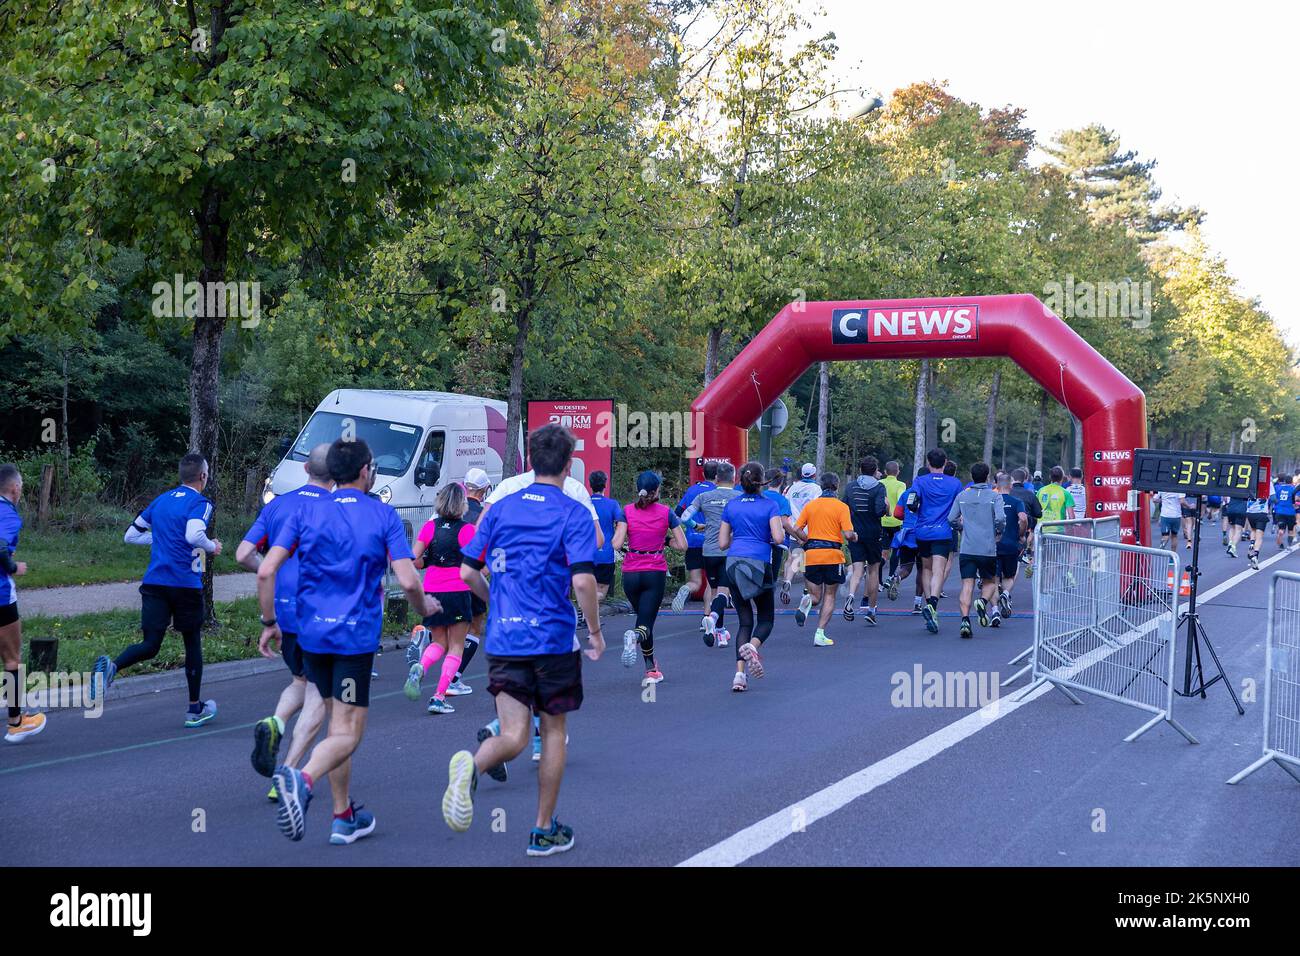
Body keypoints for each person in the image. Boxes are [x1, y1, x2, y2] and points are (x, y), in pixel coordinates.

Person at [261, 438, 438, 845]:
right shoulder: (382, 514)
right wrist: (423, 607)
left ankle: (343, 816)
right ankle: (300, 779)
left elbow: (266, 569)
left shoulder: (306, 510)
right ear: (365, 471)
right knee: (348, 732)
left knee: (336, 727)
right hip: (352, 638)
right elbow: (409, 579)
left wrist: (270, 621)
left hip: (310, 637)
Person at [442, 424, 603, 858]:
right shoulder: (572, 510)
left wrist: (496, 602)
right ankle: (542, 829)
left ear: (529, 460)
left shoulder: (499, 508)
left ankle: (471, 766)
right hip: (552, 638)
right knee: (552, 730)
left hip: (505, 636)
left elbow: (467, 572)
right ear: (570, 466)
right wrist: (595, 631)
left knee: (513, 734)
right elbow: (584, 581)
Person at [93, 453, 222, 726]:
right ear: (203, 476)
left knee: (151, 644)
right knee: (192, 643)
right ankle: (194, 709)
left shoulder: (160, 500)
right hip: (185, 584)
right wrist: (213, 546)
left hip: (154, 584)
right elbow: (194, 536)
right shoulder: (200, 502)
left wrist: (161, 539)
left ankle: (113, 666)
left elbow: (131, 535)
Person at [236, 444, 332, 795]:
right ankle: (288, 774)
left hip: (287, 612)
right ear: (336, 472)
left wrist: (272, 574)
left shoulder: (277, 504)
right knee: (319, 692)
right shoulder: (337, 509)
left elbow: (243, 553)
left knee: (300, 681)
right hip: (324, 614)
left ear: (306, 468)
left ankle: (275, 722)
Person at [406, 482, 478, 715]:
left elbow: (414, 559)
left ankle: (420, 667)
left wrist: (429, 561)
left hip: (432, 590)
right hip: (457, 590)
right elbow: (476, 563)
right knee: (455, 647)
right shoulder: (467, 530)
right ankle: (438, 697)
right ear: (462, 505)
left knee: (439, 642)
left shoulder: (430, 527)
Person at [615, 471, 687, 683]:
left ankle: (651, 668)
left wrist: (630, 535)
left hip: (630, 573)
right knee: (645, 624)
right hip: (654, 572)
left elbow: (617, 544)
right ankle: (635, 640)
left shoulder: (626, 511)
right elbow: (682, 545)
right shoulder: (666, 512)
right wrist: (664, 541)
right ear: (657, 491)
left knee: (643, 620)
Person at [718, 462, 784, 692]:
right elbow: (777, 538)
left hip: (734, 563)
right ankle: (753, 647)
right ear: (761, 480)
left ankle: (739, 675)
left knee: (745, 621)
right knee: (766, 619)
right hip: (759, 563)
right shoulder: (770, 505)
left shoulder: (731, 505)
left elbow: (723, 543)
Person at [0, 465, 43, 743]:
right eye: (22, 486)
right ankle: (16, 722)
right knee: (12, 659)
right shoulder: (8, 514)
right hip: (1, 595)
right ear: (14, 488)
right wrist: (14, 567)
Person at [442, 467, 493, 697]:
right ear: (484, 490)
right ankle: (455, 676)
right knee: (474, 627)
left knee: (446, 627)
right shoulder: (486, 515)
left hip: (446, 578)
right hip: (473, 575)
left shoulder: (454, 511)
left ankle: (425, 641)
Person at [792, 472, 857, 647]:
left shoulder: (811, 506)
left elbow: (796, 528)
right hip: (832, 555)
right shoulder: (841, 507)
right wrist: (854, 537)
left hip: (812, 554)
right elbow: (848, 534)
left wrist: (806, 539)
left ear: (821, 486)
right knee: (829, 595)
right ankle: (819, 634)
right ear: (836, 486)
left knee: (815, 596)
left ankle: (807, 602)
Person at [681, 463, 741, 648]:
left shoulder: (703, 496)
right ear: (734, 478)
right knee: (724, 593)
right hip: (730, 551)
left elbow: (683, 517)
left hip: (708, 551)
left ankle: (721, 633)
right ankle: (713, 619)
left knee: (714, 592)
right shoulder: (739, 497)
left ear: (716, 479)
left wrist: (695, 526)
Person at [907, 449, 963, 634]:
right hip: (943, 531)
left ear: (928, 463)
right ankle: (933, 603)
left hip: (923, 531)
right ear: (945, 462)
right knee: (939, 569)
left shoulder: (920, 481)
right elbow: (960, 507)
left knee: (926, 569)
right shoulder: (955, 483)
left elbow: (911, 504)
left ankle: (928, 602)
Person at [948, 463, 1006, 639]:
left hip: (968, 547)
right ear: (988, 476)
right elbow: (1001, 518)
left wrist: (961, 527)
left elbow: (951, 518)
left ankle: (965, 620)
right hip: (987, 547)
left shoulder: (962, 495)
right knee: (990, 582)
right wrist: (998, 531)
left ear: (972, 477)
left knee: (967, 584)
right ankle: (981, 601)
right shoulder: (994, 496)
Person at [841, 456, 887, 625]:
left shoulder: (851, 487)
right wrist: (886, 508)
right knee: (873, 570)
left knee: (858, 569)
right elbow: (878, 510)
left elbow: (844, 507)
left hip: (854, 533)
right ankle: (872, 610)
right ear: (875, 470)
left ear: (860, 469)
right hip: (873, 533)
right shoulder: (879, 487)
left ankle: (851, 596)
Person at [671, 462, 717, 610]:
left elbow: (677, 513)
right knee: (712, 584)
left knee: (696, 582)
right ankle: (707, 616)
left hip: (692, 541)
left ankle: (687, 588)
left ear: (703, 474)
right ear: (717, 476)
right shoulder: (717, 492)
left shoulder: (692, 490)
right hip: (712, 543)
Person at [587, 470, 626, 631]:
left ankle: (589, 616)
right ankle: (589, 616)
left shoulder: (584, 503)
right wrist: (617, 540)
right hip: (605, 553)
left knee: (588, 587)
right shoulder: (612, 504)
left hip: (585, 554)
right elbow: (622, 522)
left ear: (590, 485)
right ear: (605, 484)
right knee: (601, 591)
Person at [781, 463, 822, 605]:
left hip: (795, 528)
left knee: (796, 559)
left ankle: (787, 581)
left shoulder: (792, 488)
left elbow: (786, 505)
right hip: (810, 530)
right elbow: (818, 507)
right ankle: (808, 591)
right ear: (814, 475)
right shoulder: (816, 488)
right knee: (808, 563)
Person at [993, 472, 1028, 617]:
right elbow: (1023, 518)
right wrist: (1021, 534)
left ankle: (994, 611)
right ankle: (1006, 593)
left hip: (993, 544)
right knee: (1009, 576)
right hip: (1011, 544)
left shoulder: (991, 500)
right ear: (1010, 485)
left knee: (993, 580)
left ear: (997, 485)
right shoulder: (1016, 501)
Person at [763, 468, 796, 584]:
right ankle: (790, 582)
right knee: (772, 577)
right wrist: (797, 536)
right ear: (781, 482)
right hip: (778, 540)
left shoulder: (760, 496)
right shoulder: (782, 500)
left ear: (765, 480)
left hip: (759, 540)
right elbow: (785, 523)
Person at [879, 460, 906, 602]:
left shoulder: (880, 483)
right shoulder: (901, 484)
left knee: (884, 552)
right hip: (897, 521)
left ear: (884, 472)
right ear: (898, 472)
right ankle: (890, 577)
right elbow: (903, 499)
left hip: (882, 521)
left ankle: (878, 577)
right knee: (896, 550)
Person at [1009, 469, 1042, 575]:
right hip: (1022, 530)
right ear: (1025, 480)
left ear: (1012, 479)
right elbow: (1038, 513)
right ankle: (1006, 589)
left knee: (1000, 557)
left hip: (1006, 529)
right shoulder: (1030, 494)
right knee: (1016, 560)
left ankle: (997, 582)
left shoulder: (1006, 492)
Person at [1271, 474, 1297, 551]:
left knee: (1281, 528)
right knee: (1291, 530)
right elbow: (1296, 500)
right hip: (1290, 512)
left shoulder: (1278, 488)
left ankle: (1280, 540)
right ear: (1291, 481)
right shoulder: (1293, 489)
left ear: (1284, 481)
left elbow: (1273, 498)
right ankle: (1289, 545)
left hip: (1279, 511)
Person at [1246, 494, 1269, 569]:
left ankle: (1252, 544)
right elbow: (1273, 498)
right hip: (1261, 512)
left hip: (1250, 511)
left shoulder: (1251, 481)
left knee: (1253, 530)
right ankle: (1255, 556)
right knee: (1259, 537)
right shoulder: (1268, 483)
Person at [1223, 493, 1248, 558]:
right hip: (1241, 508)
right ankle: (1233, 546)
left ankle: (1230, 543)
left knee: (1232, 527)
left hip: (1231, 508)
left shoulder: (1234, 485)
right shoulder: (1246, 488)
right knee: (1238, 529)